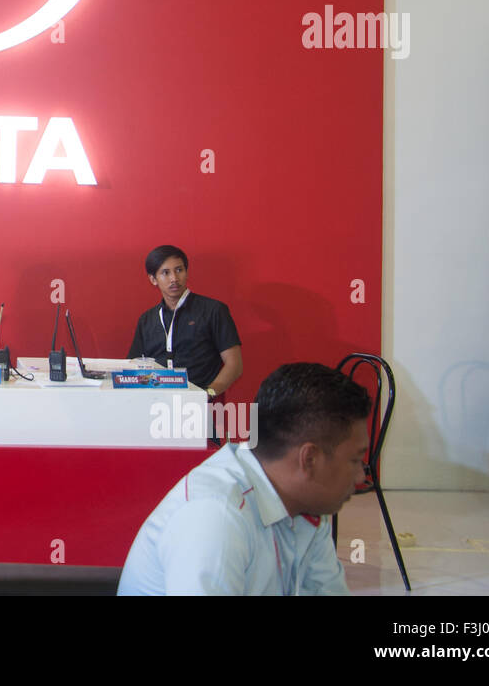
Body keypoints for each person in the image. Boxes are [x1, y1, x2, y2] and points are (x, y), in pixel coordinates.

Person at [118, 362, 370, 596]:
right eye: (355, 460)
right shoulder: (216, 516)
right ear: (309, 459)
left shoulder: (309, 503)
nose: (361, 476)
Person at [127, 245, 242, 398]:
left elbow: (234, 365)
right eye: (165, 273)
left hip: (201, 403)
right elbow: (133, 366)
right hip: (156, 404)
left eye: (179, 270)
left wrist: (207, 394)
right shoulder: (147, 320)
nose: (174, 278)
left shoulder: (213, 310)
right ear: (153, 279)